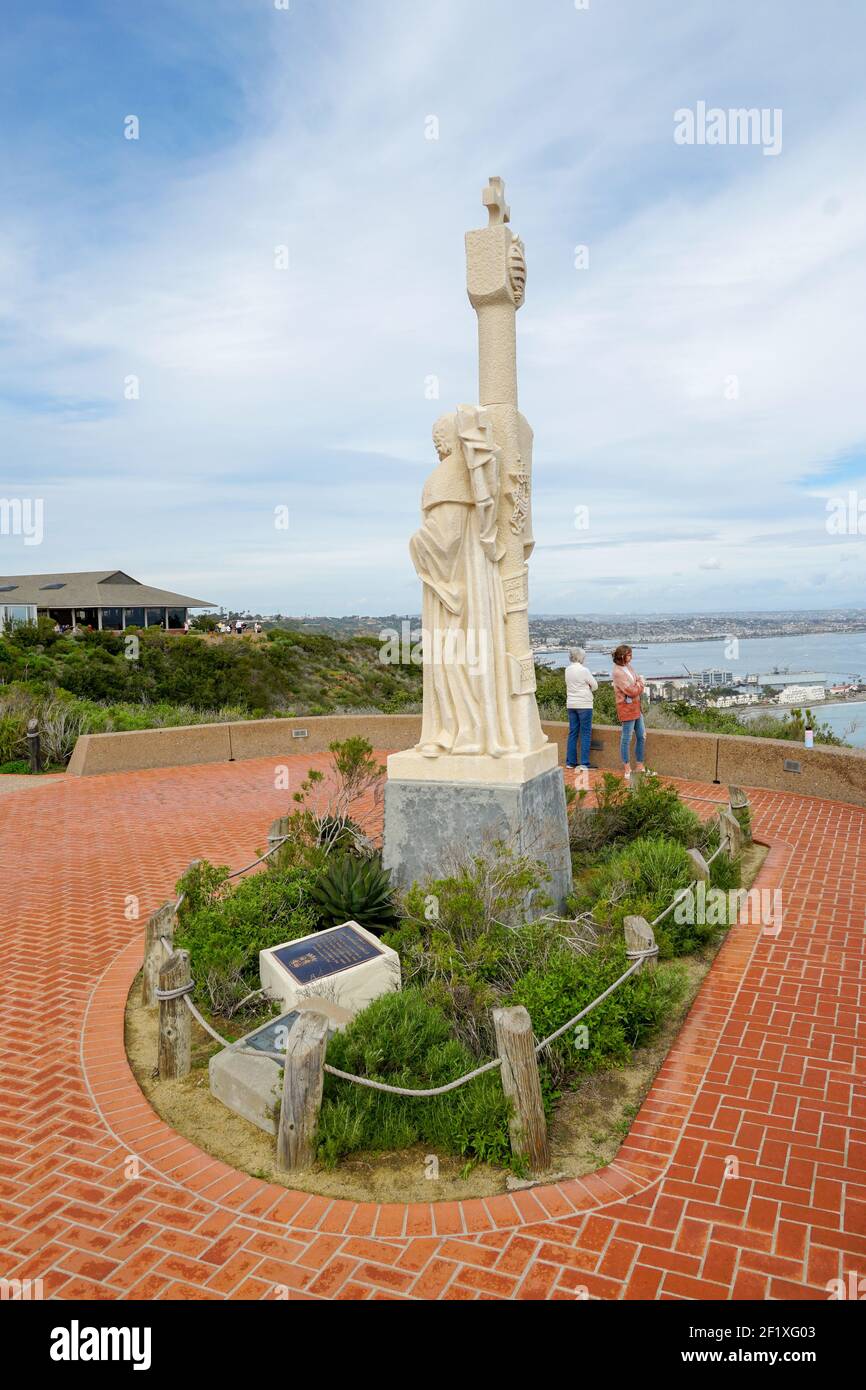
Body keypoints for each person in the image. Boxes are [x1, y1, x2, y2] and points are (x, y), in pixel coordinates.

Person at [612, 644, 647, 781]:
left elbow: (637, 680)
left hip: (636, 707)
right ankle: (627, 768)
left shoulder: (629, 667)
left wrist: (638, 683)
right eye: (629, 654)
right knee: (626, 738)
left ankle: (640, 765)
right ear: (622, 656)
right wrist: (641, 684)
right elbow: (631, 691)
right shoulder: (617, 672)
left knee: (641, 736)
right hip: (626, 708)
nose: (631, 657)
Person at [564, 647, 597, 770]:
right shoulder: (584, 670)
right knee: (585, 733)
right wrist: (588, 688)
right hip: (584, 704)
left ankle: (570, 762)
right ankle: (584, 763)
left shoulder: (567, 670)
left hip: (571, 704)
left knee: (573, 732)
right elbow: (595, 686)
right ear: (580, 657)